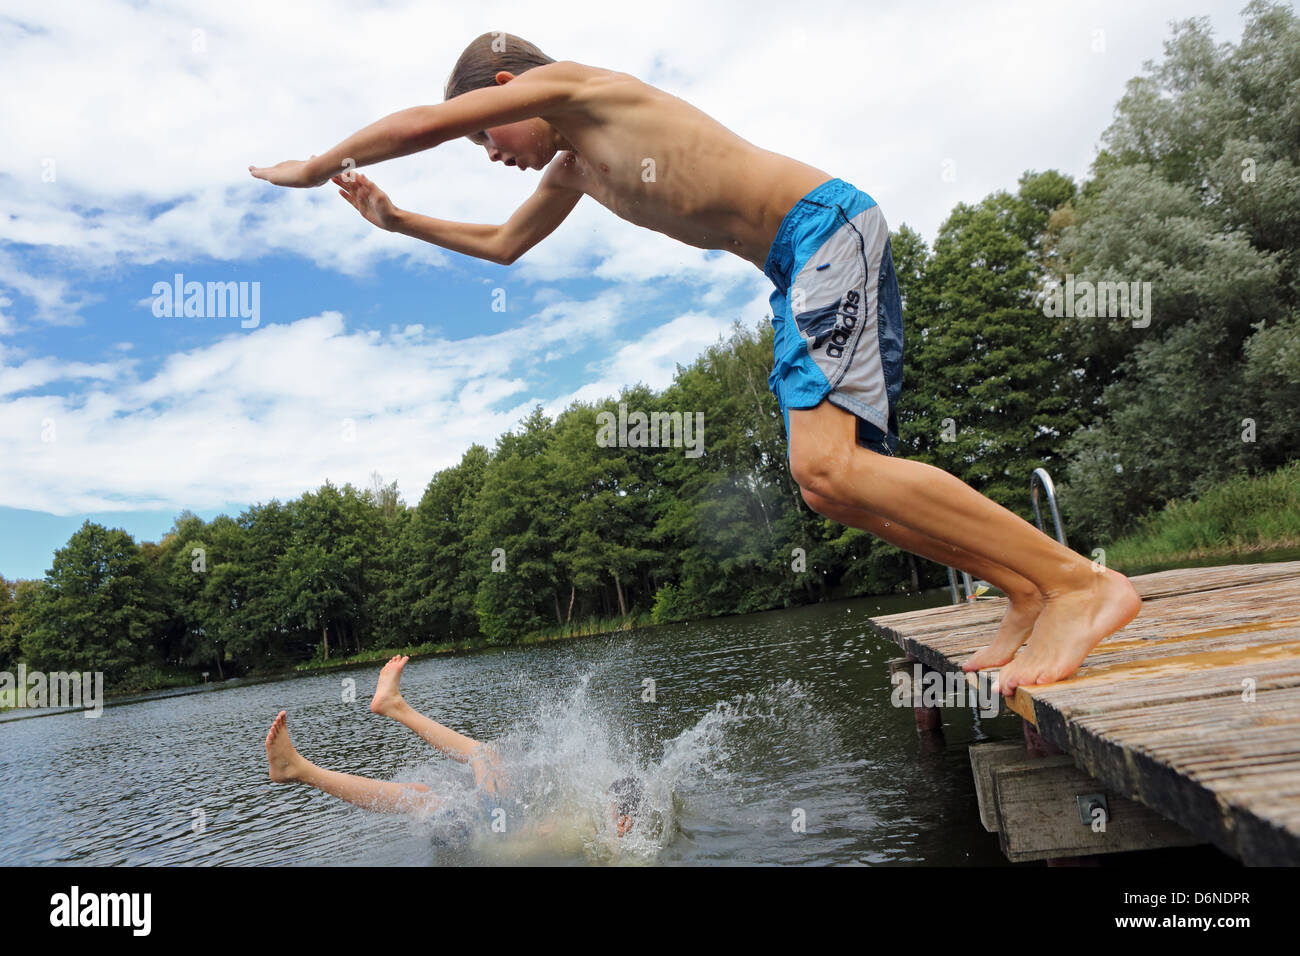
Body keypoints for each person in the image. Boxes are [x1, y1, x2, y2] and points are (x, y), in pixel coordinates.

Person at [249, 33, 1142, 694]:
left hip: (822, 228)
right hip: (801, 265)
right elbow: (503, 246)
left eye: (490, 140)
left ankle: (1080, 584)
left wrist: (319, 165)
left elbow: (423, 124)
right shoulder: (574, 171)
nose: (492, 158)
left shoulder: (579, 89)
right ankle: (1024, 588)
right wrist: (398, 221)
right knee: (832, 484)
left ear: (508, 87)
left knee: (822, 464)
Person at [264, 655, 642, 837]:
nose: (604, 804)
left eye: (612, 807)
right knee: (482, 755)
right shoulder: (604, 826)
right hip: (499, 821)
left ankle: (298, 770)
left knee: (426, 797)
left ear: (623, 819)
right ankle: (394, 706)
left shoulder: (603, 840)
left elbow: (538, 837)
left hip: (491, 836)